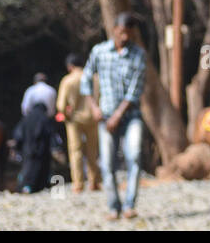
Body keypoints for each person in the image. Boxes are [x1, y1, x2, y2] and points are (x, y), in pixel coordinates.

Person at [82, 13, 147, 220]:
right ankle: (113, 206)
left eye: (129, 32)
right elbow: (86, 80)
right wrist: (94, 107)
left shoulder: (138, 55)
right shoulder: (99, 52)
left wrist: (118, 116)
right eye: (122, 31)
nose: (125, 36)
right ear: (114, 29)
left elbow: (134, 91)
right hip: (105, 115)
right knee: (107, 163)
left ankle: (129, 204)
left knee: (134, 155)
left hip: (130, 115)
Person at [56, 54, 100, 192]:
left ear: (70, 66)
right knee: (93, 151)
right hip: (93, 118)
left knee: (76, 151)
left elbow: (61, 104)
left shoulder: (67, 80)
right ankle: (94, 181)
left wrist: (65, 113)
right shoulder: (94, 78)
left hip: (74, 119)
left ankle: (78, 183)